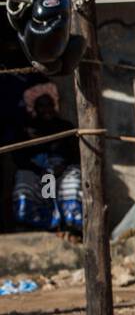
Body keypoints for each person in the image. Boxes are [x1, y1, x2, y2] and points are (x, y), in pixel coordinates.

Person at [11, 93, 82, 234]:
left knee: (72, 180)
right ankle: (37, 224)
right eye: (41, 106)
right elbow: (19, 156)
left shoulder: (65, 126)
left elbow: (76, 153)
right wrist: (38, 169)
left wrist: (63, 166)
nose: (46, 109)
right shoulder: (26, 128)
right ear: (35, 108)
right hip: (35, 169)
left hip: (63, 167)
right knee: (25, 182)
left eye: (49, 105)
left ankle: (71, 224)